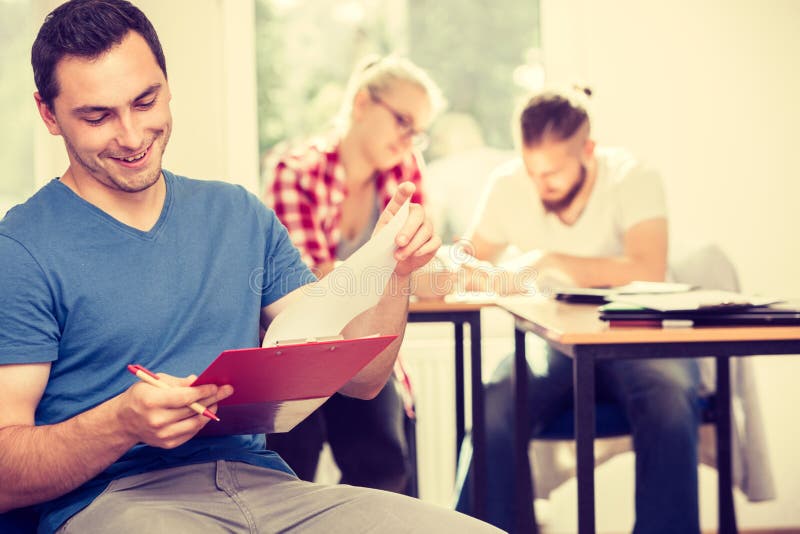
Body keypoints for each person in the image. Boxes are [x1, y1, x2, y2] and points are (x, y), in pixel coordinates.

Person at [0, 2, 502, 533]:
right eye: (97, 116)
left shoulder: (237, 215)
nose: (130, 135)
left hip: (265, 487)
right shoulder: (23, 248)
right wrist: (120, 423)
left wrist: (394, 271)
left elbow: (364, 379)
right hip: (119, 503)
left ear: (167, 87)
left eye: (145, 101)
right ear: (49, 114)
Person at [453, 90, 702, 534]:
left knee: (669, 398)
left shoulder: (632, 177)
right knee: (494, 400)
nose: (539, 183)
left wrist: (550, 260)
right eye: (531, 169)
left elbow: (649, 269)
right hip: (553, 344)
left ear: (588, 150)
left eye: (551, 172)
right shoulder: (510, 184)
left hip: (637, 339)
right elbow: (469, 263)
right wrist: (463, 267)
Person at [262, 55, 445, 494]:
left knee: (386, 464)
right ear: (362, 103)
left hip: (361, 346)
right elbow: (306, 287)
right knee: (290, 470)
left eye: (417, 130)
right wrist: (388, 277)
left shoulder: (404, 171)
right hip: (296, 349)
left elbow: (421, 268)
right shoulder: (296, 171)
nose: (409, 139)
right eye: (403, 121)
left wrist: (368, 275)